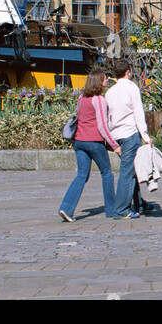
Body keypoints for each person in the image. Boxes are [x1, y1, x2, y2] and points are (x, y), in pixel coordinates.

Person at [58, 70, 121, 222]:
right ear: (99, 81)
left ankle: (66, 208)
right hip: (94, 142)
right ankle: (111, 209)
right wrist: (114, 145)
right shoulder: (99, 100)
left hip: (79, 142)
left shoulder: (82, 99)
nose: (107, 80)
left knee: (82, 175)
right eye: (105, 78)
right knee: (106, 173)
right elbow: (102, 126)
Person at [105, 59, 150, 219]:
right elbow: (138, 113)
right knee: (127, 172)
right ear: (128, 72)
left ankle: (140, 203)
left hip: (116, 135)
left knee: (132, 168)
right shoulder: (132, 88)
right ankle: (121, 209)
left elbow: (108, 116)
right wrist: (145, 135)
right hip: (130, 133)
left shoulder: (110, 92)